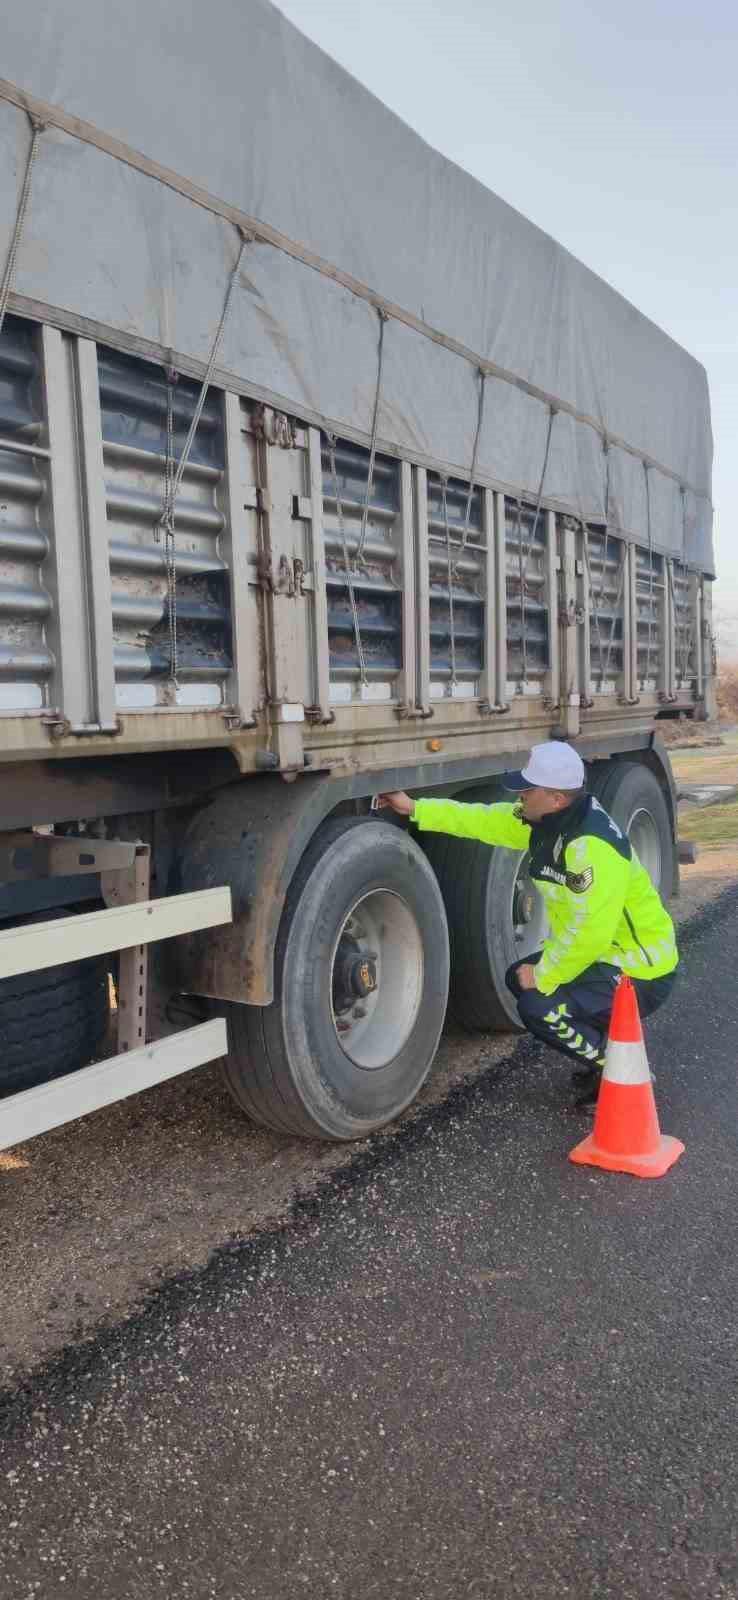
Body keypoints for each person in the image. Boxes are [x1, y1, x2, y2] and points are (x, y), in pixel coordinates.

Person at [379, 740, 678, 1109]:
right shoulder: (553, 822)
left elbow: (590, 929)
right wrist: (415, 808)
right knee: (516, 976)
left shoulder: (591, 847)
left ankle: (624, 1070)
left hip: (642, 969)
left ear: (555, 798)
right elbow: (483, 821)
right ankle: (605, 1052)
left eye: (527, 788)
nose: (519, 794)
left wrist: (545, 973)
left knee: (539, 1006)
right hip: (606, 955)